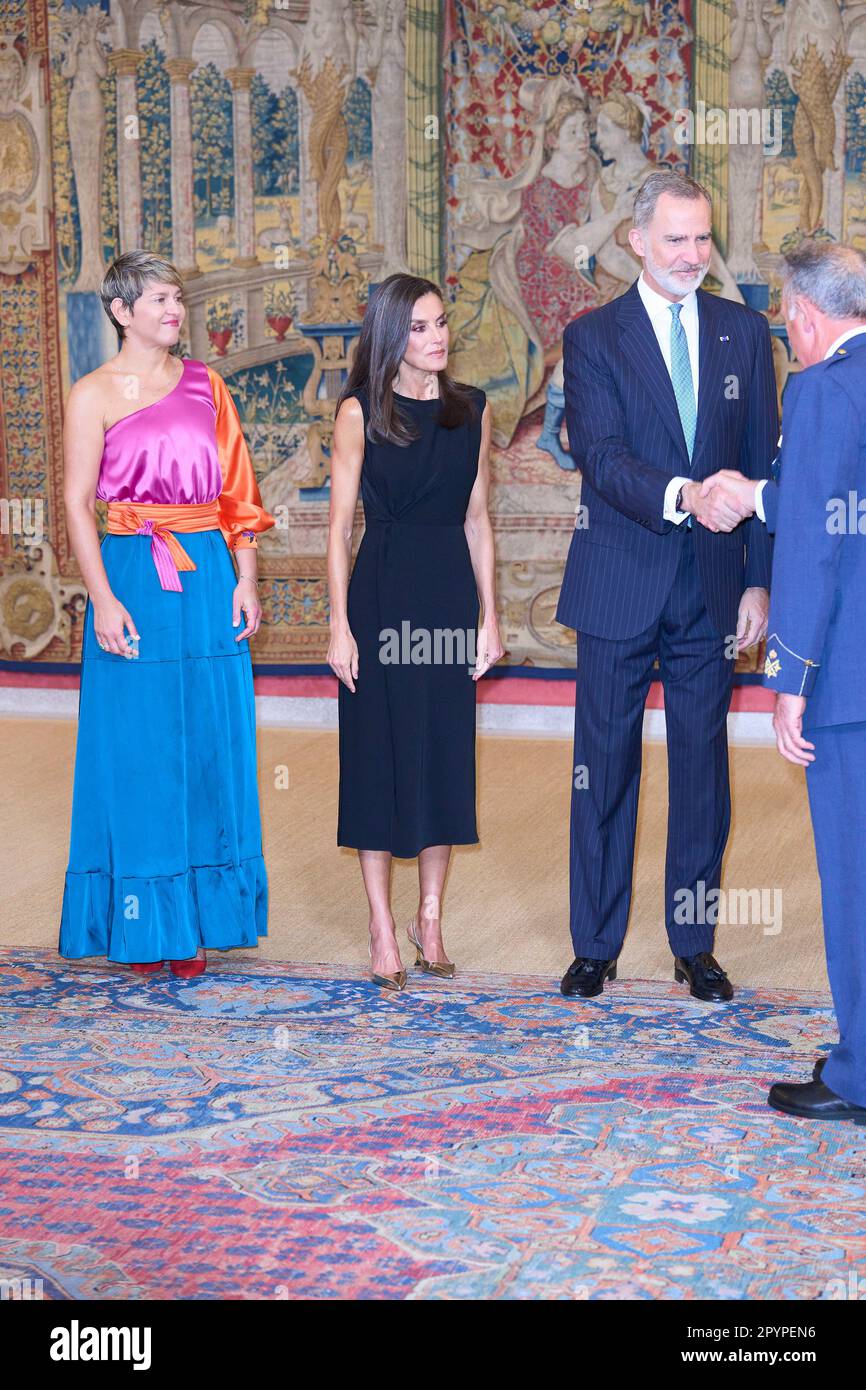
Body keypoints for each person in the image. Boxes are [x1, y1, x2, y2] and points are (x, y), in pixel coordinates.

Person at [555, 170, 777, 1003]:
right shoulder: (593, 336)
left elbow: (761, 461)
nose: (693, 254)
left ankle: (694, 943)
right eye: (676, 238)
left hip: (713, 593)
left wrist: (759, 583)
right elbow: (602, 457)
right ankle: (596, 943)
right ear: (636, 241)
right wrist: (684, 496)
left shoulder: (743, 332)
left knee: (701, 767)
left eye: (703, 238)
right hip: (619, 577)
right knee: (603, 767)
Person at [60, 251, 275, 978]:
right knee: (141, 747)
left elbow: (239, 495)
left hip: (208, 570)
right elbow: (74, 503)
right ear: (122, 311)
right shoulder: (91, 394)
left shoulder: (207, 386)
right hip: (132, 573)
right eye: (158, 300)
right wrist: (104, 598)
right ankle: (142, 919)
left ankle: (202, 920)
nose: (174, 311)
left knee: (211, 740)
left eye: (177, 298)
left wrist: (246, 580)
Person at [700, 240, 866, 1122]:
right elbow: (831, 503)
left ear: (804, 314)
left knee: (853, 882)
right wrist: (762, 496)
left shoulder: (819, 388)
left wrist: (788, 674)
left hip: (849, 681)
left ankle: (858, 1077)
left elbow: (816, 547)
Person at [328, 273, 502, 990]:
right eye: (423, 327)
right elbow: (338, 529)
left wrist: (490, 616)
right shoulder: (358, 412)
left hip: (448, 601)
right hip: (380, 595)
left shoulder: (473, 410)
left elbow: (477, 518)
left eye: (441, 324)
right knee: (378, 762)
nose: (438, 338)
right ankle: (379, 924)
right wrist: (339, 626)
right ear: (392, 336)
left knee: (439, 761)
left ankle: (428, 918)